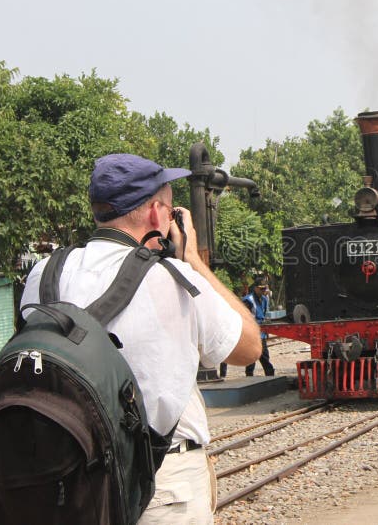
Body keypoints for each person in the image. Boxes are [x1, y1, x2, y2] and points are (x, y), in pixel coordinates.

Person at [20, 153, 262, 524]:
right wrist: (193, 260)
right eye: (168, 209)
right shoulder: (175, 278)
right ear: (155, 213)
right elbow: (249, 346)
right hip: (159, 488)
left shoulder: (43, 274)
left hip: (67, 488)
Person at [243, 276, 276, 377]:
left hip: (261, 333)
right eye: (261, 289)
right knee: (252, 358)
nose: (264, 291)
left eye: (265, 288)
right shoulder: (248, 300)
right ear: (255, 288)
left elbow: (264, 314)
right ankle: (249, 377)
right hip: (252, 334)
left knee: (264, 357)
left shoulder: (265, 299)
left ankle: (270, 376)